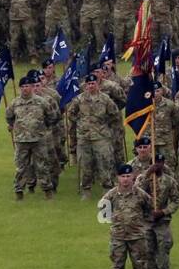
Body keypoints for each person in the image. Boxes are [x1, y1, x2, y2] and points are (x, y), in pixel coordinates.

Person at [101, 163, 153, 269]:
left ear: (133, 177)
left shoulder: (141, 195)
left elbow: (149, 211)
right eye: (123, 176)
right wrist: (115, 225)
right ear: (118, 177)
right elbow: (103, 214)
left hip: (137, 237)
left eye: (128, 176)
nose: (125, 179)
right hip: (118, 237)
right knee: (117, 265)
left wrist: (142, 226)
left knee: (140, 265)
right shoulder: (110, 195)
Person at [7, 69, 61, 200]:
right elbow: (9, 117)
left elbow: (52, 117)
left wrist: (42, 128)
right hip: (21, 140)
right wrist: (16, 128)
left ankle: (47, 190)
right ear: (20, 88)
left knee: (42, 166)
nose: (25, 89)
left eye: (28, 86)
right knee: (21, 167)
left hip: (39, 139)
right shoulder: (15, 103)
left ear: (32, 87)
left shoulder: (41, 102)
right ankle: (19, 191)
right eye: (23, 87)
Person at [71, 72, 122, 197]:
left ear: (97, 84)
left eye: (93, 83)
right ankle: (86, 190)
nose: (91, 86)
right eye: (88, 84)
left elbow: (115, 114)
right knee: (85, 164)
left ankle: (107, 189)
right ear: (86, 86)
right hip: (84, 137)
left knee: (104, 163)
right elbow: (71, 113)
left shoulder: (105, 99)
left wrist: (105, 125)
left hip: (101, 137)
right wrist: (80, 123)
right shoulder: (79, 99)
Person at [137, 151, 179, 269]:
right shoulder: (144, 178)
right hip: (147, 220)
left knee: (163, 249)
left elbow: (176, 200)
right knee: (148, 249)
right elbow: (136, 192)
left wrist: (164, 211)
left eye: (160, 163)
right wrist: (148, 174)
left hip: (162, 220)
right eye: (155, 163)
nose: (157, 165)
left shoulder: (169, 181)